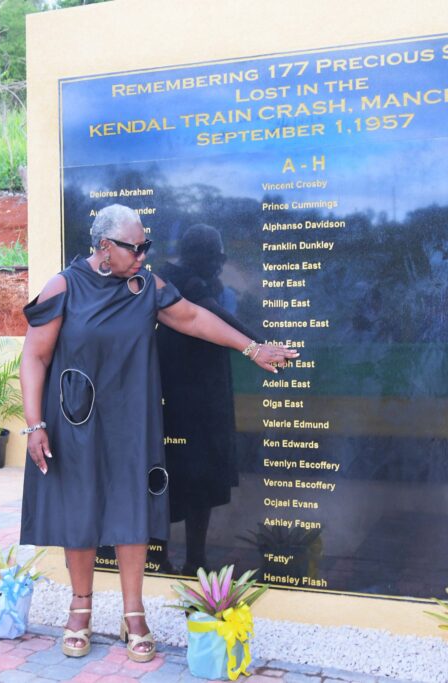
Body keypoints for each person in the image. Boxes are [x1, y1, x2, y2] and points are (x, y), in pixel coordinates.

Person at [19, 204, 296, 663]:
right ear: (105, 247)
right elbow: (35, 357)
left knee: (132, 511)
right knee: (81, 511)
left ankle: (133, 613)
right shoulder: (64, 286)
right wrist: (34, 424)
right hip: (76, 418)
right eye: (136, 247)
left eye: (146, 245)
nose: (144, 254)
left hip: (131, 418)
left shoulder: (145, 286)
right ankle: (80, 609)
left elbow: (190, 317)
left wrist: (251, 347)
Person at [156, 224, 258, 576]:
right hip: (177, 393)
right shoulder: (177, 282)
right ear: (194, 254)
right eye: (213, 254)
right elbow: (212, 315)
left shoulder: (208, 283)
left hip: (208, 392)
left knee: (205, 480)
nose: (220, 262)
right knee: (172, 478)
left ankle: (195, 558)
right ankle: (159, 555)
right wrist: (257, 345)